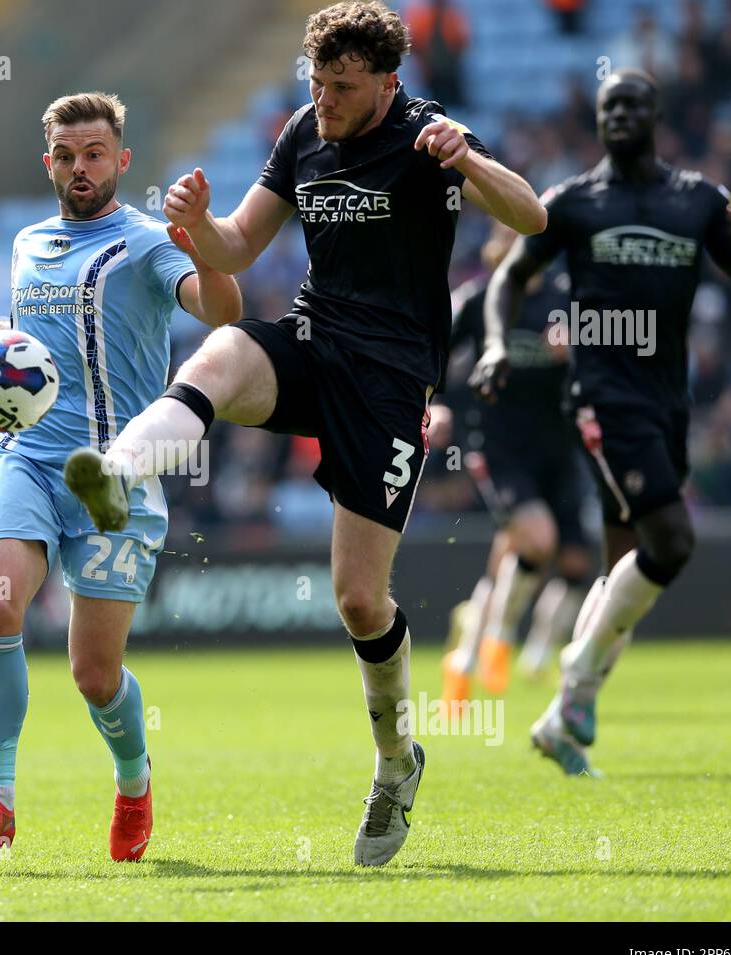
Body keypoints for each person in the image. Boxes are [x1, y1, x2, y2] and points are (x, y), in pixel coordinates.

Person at [64, 1, 545, 867]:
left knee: (360, 601)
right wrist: (197, 223)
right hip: (316, 341)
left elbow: (532, 217)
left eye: (342, 88)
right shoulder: (301, 132)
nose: (323, 100)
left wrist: (467, 157)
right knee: (221, 352)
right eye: (316, 83)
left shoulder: (428, 132)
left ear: (387, 84)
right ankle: (121, 468)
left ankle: (397, 763)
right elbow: (240, 247)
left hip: (393, 380)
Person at [0, 92, 240, 860]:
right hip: (24, 457)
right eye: (67, 154)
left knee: (94, 675)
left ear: (121, 160)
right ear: (47, 161)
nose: (80, 166)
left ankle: (133, 779)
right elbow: (29, 344)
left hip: (112, 476)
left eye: (95, 153)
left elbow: (222, 313)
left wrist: (206, 249)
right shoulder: (28, 243)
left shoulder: (150, 245)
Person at [473, 70, 731, 774]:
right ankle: (577, 673)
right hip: (603, 399)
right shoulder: (574, 202)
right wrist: (494, 344)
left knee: (619, 574)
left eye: (632, 105)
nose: (619, 115)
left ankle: (560, 719)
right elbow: (509, 276)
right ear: (599, 118)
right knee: (670, 539)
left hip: (669, 402)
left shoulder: (697, 200)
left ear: (656, 115)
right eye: (609, 106)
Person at [441, 221, 593, 707]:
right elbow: (433, 354)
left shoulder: (564, 299)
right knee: (536, 538)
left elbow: (600, 362)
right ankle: (497, 640)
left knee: (563, 559)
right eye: (507, 235)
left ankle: (471, 644)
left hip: (557, 446)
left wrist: (574, 352)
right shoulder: (477, 299)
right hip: (497, 444)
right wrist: (437, 403)